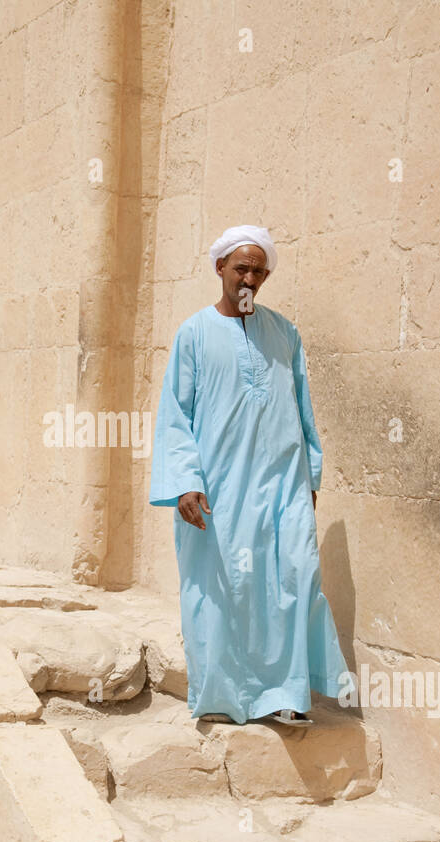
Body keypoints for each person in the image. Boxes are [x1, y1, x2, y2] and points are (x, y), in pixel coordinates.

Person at [148, 224, 348, 726]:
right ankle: (221, 695)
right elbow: (176, 415)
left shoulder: (285, 333)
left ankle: (287, 693)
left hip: (283, 482)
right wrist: (184, 483)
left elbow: (304, 411)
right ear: (220, 268)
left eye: (259, 270)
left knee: (292, 577)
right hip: (217, 488)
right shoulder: (193, 333)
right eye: (241, 267)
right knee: (221, 586)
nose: (250, 278)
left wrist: (312, 477)